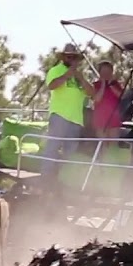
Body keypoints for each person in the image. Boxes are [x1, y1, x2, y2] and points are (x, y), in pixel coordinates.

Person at [41, 43, 90, 182]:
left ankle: (64, 179)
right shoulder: (56, 70)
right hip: (60, 116)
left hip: (76, 120)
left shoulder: (80, 76)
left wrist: (81, 79)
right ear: (63, 58)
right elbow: (52, 85)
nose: (71, 59)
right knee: (53, 147)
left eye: (74, 57)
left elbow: (92, 93)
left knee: (71, 152)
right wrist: (66, 76)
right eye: (69, 57)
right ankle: (46, 177)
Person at [90, 61, 126, 138]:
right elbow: (97, 99)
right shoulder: (95, 85)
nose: (106, 74)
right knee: (102, 144)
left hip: (114, 118)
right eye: (104, 72)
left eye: (108, 72)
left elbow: (121, 96)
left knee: (113, 144)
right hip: (100, 119)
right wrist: (103, 85)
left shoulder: (115, 84)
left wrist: (111, 85)